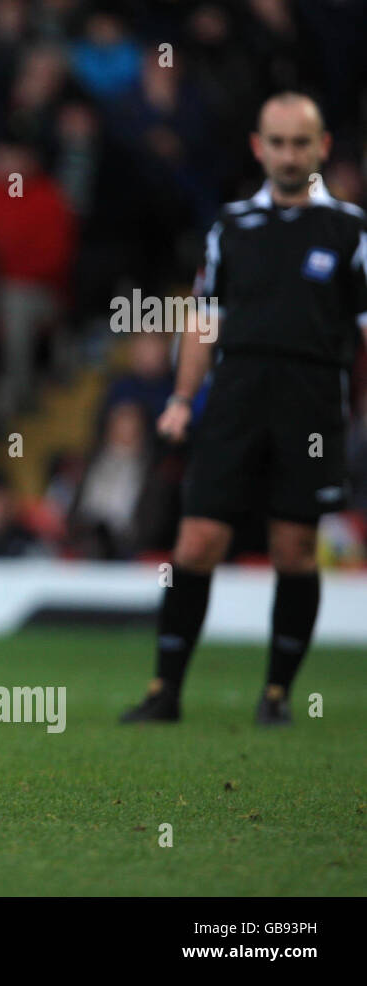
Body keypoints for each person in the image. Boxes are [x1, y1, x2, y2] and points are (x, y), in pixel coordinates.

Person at [121, 93, 367, 726]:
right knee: (196, 541)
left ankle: (278, 694)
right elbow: (203, 321)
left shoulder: (350, 231)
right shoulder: (230, 228)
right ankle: (164, 691)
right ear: (259, 147)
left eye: (301, 143)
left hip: (313, 402)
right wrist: (180, 399)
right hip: (234, 398)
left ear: (322, 147)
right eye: (278, 143)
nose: (289, 154)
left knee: (294, 549)